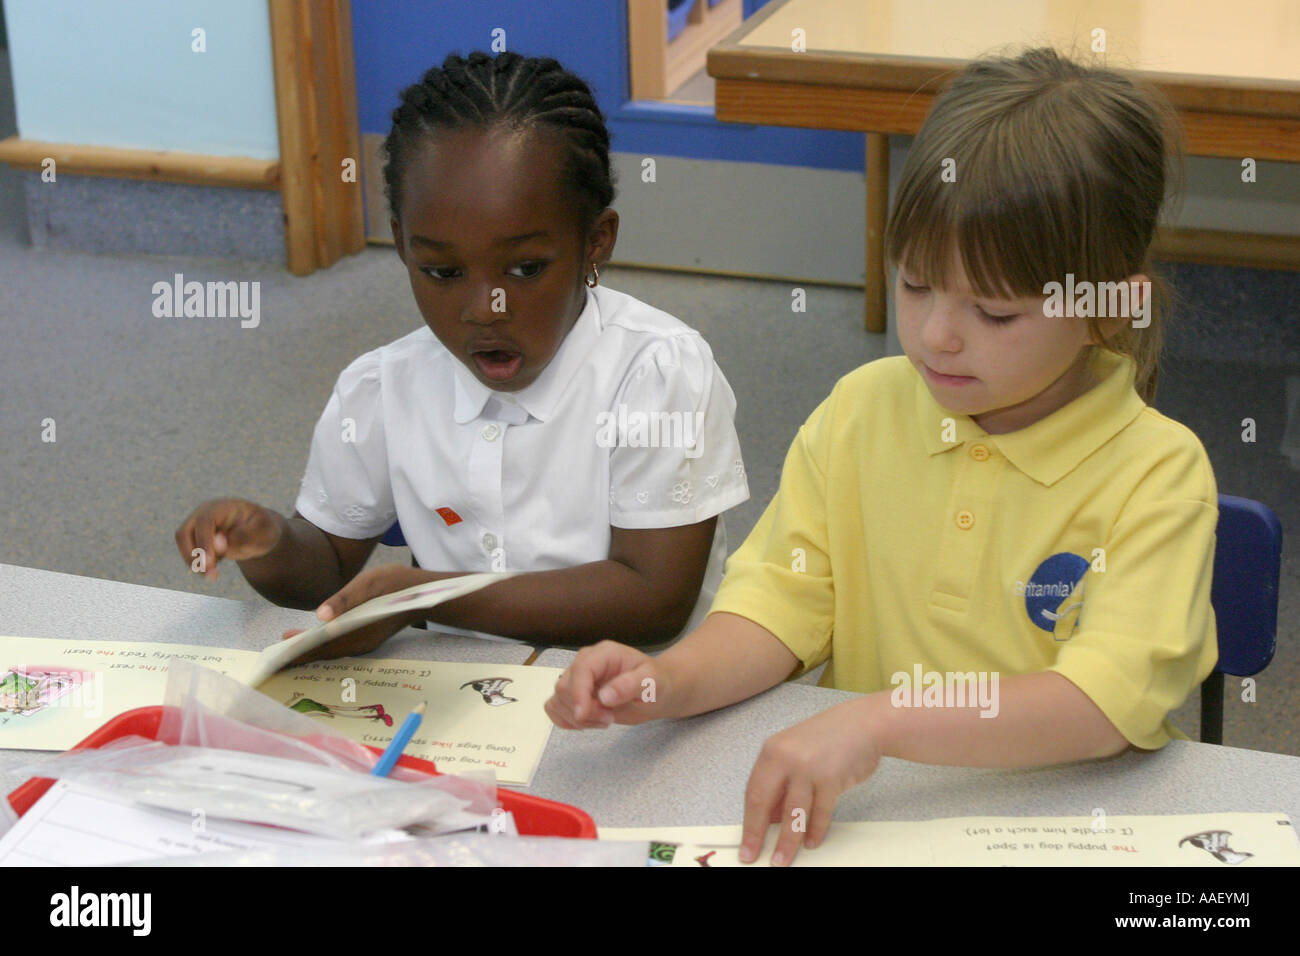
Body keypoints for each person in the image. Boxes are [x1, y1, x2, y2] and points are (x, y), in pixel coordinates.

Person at [546, 47, 1217, 866]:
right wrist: (670, 681)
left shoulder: (1159, 473)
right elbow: (781, 608)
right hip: (873, 823)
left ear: (1112, 308)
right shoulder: (863, 410)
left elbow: (1099, 707)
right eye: (916, 283)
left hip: (1075, 829)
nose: (934, 335)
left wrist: (875, 722)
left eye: (995, 313)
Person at [175, 51, 748, 657]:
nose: (486, 307)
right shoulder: (382, 386)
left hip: (638, 700)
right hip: (456, 701)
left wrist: (426, 598)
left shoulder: (658, 373)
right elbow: (324, 570)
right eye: (443, 271)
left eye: (526, 268)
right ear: (401, 246)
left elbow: (653, 601)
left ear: (594, 244)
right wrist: (267, 543)